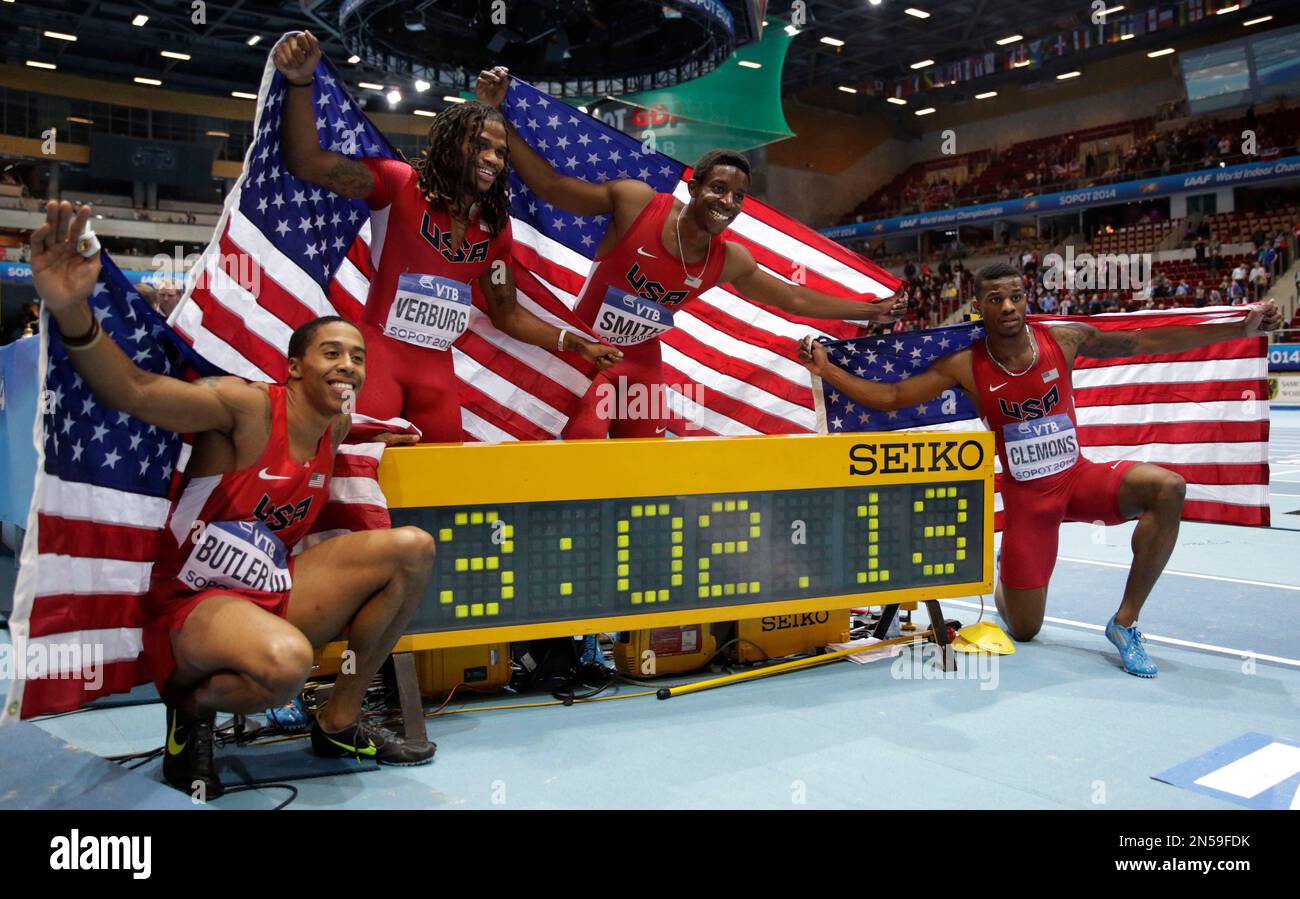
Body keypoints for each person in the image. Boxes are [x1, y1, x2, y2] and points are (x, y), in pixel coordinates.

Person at [31, 200, 440, 797]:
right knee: (285, 665)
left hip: (268, 587)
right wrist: (73, 312)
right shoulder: (247, 408)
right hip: (195, 604)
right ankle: (190, 710)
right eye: (332, 354)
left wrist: (401, 424)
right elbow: (137, 391)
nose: (348, 367)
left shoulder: (334, 429)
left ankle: (340, 721)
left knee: (412, 549)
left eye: (357, 358)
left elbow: (375, 419)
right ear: (294, 368)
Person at [796, 261, 1281, 677]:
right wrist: (828, 370)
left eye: (1016, 296)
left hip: (1079, 478)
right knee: (1026, 630)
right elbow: (891, 399)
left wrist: (1240, 327)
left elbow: (1142, 340)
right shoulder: (965, 365)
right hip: (1029, 502)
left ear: (1026, 300)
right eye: (995, 299)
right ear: (980, 309)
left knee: (1168, 488)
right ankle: (1011, 568)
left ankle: (1126, 622)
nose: (1008, 306)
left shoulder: (1063, 340)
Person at [474, 66, 904, 438]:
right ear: (694, 188)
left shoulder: (728, 259)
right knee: (580, 457)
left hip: (643, 366)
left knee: (646, 474)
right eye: (719, 189)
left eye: (738, 196)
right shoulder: (637, 202)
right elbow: (550, 187)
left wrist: (868, 311)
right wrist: (497, 116)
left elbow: (792, 297)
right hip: (584, 354)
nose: (728, 203)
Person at [273, 32, 621, 441]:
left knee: (445, 488)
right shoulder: (398, 184)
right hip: (379, 358)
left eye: (501, 152)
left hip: (436, 372)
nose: (493, 158)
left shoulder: (494, 228)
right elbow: (308, 163)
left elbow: (506, 313)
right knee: (355, 462)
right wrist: (300, 83)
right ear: (451, 145)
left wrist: (574, 343)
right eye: (481, 146)